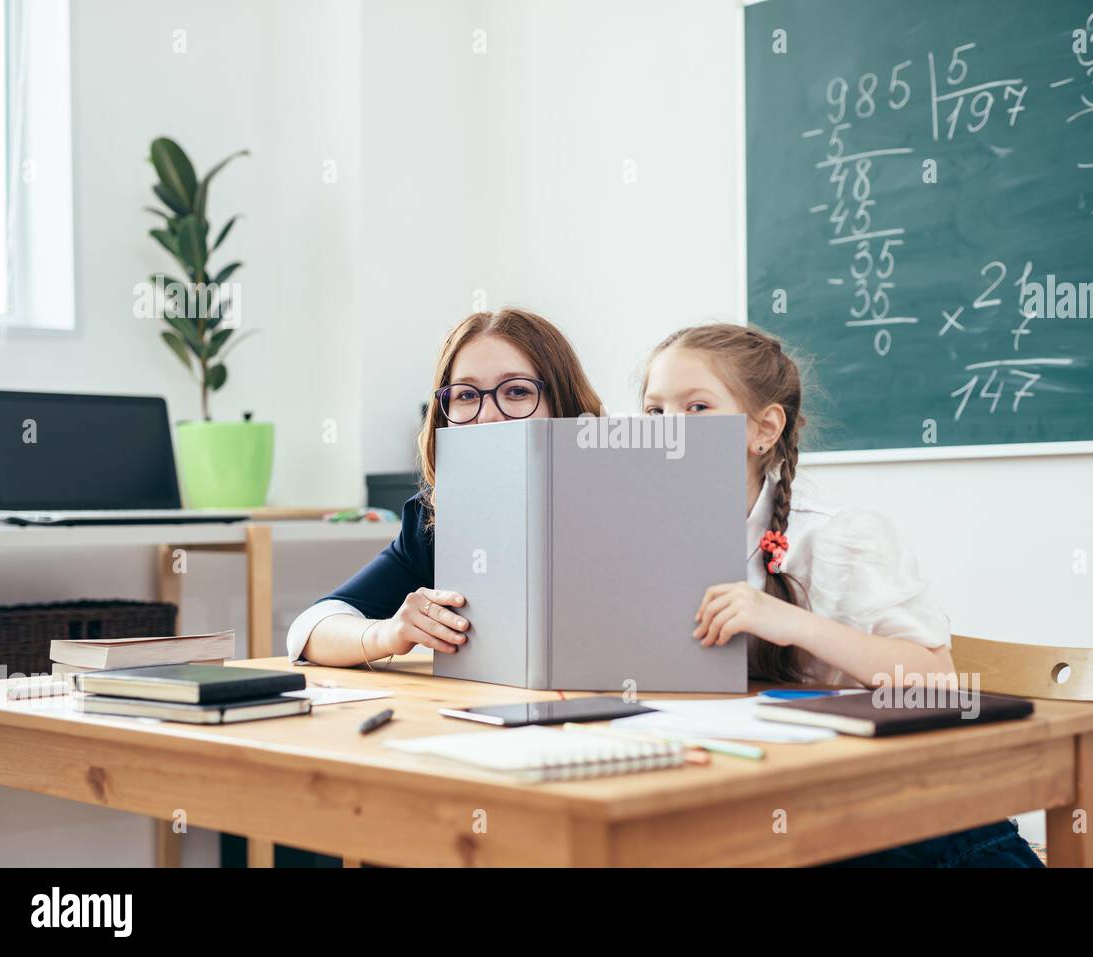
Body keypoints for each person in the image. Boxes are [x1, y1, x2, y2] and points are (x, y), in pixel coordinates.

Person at [640, 322, 1042, 867]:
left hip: (888, 809)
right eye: (654, 413)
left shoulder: (841, 537)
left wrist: (788, 621)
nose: (668, 430)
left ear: (763, 429)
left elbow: (937, 678)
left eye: (696, 409)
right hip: (750, 795)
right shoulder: (645, 543)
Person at [286, 308, 602, 667]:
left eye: (516, 391)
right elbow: (309, 630)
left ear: (563, 406)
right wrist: (389, 632)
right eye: (466, 395)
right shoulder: (433, 518)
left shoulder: (618, 500)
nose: (487, 416)